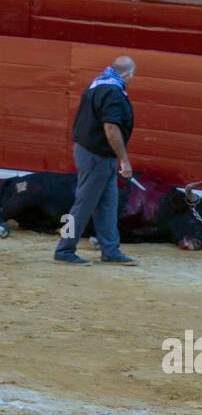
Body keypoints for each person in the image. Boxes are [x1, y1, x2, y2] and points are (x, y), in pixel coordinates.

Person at [55, 56, 138, 265]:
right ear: (127, 74)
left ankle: (110, 250)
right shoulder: (113, 92)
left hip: (97, 154)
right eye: (133, 76)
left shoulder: (97, 84)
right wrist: (124, 160)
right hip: (96, 156)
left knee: (108, 204)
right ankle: (64, 249)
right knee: (83, 204)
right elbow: (110, 128)